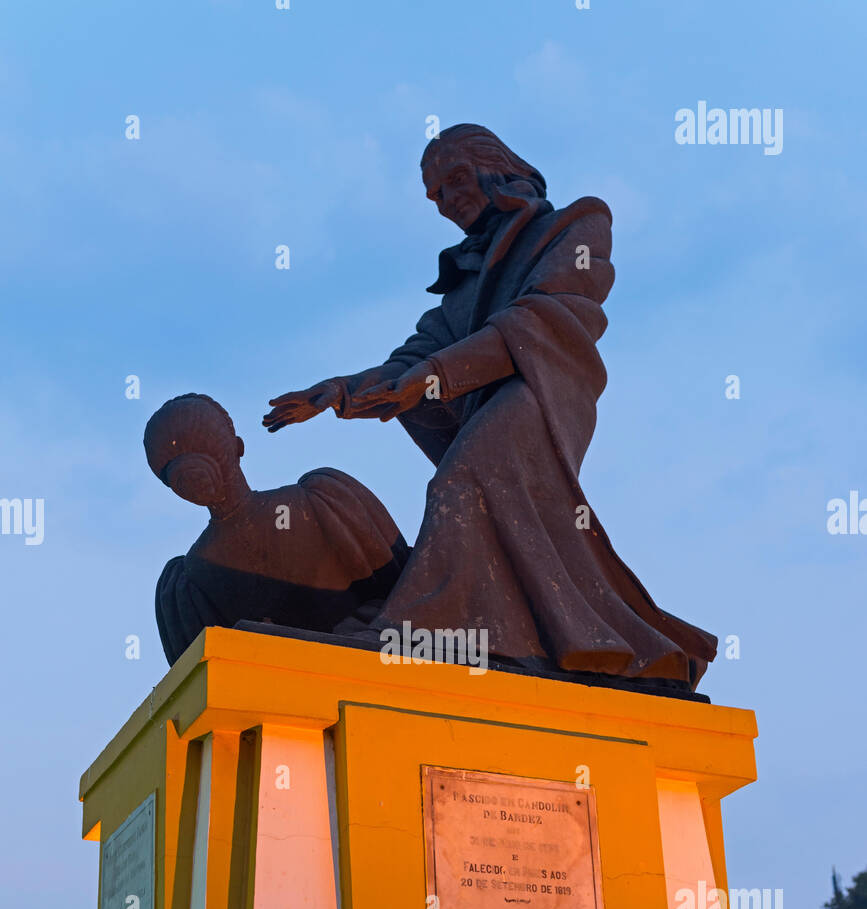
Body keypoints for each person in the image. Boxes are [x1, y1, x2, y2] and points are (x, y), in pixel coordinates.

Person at [263, 124, 716, 690]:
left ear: (498, 166)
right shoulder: (461, 287)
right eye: (436, 196)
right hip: (490, 400)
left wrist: (435, 376)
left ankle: (418, 628)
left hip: (541, 392)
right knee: (507, 512)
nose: (449, 201)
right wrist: (340, 391)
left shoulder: (576, 224)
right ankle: (542, 640)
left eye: (455, 180)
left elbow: (547, 314)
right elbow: (417, 354)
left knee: (461, 483)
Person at [145, 393, 409, 666]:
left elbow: (208, 673)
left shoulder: (187, 580)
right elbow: (408, 591)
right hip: (377, 676)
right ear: (238, 448)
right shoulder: (322, 499)